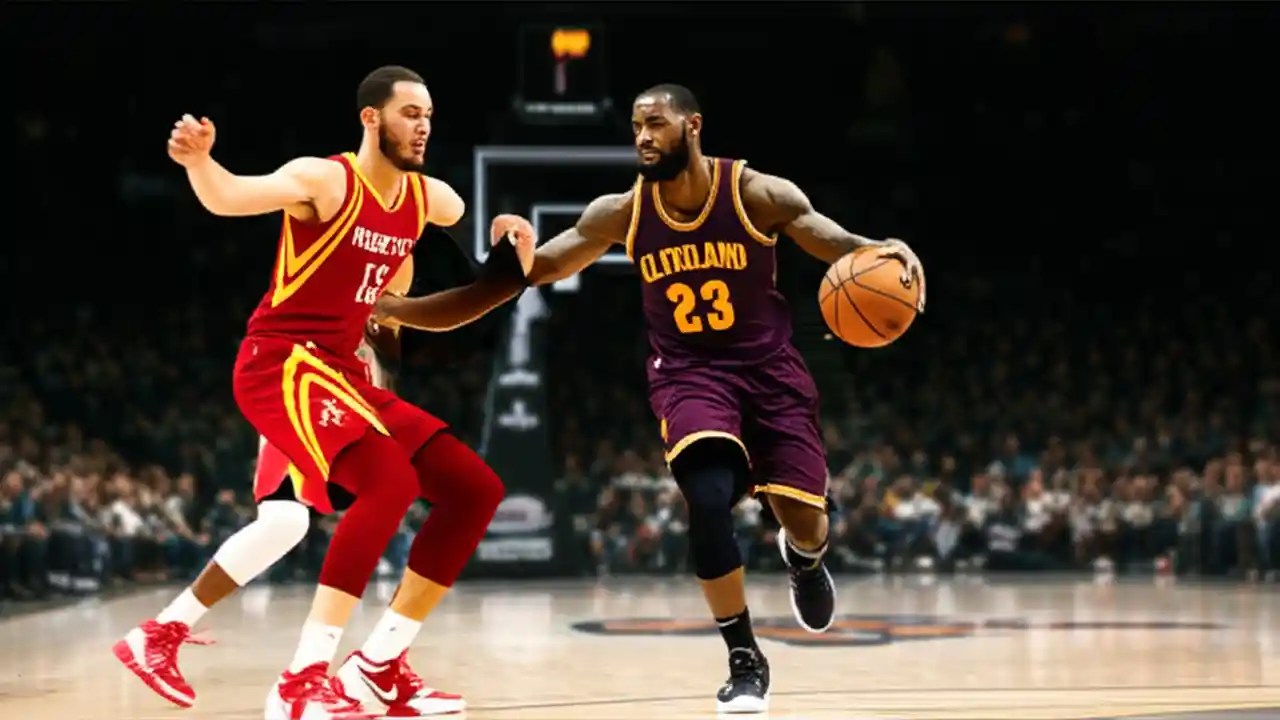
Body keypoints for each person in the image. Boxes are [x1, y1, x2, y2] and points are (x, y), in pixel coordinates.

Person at [374, 83, 926, 714]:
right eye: (637, 126)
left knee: (808, 520)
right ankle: (744, 658)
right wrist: (509, 257)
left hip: (771, 375)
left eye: (656, 124)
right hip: (689, 375)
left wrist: (880, 250)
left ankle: (804, 558)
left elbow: (833, 241)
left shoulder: (755, 194)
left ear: (692, 126)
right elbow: (546, 265)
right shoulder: (623, 211)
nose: (642, 136)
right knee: (708, 501)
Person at [148, 65, 508, 720]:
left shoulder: (427, 200)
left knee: (474, 488)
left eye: (429, 114)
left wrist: (502, 237)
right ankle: (302, 678)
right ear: (371, 118)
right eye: (409, 113)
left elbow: (469, 226)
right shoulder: (326, 179)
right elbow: (230, 196)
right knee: (382, 486)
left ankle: (377, 667)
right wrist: (201, 163)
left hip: (341, 373)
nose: (423, 125)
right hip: (280, 362)